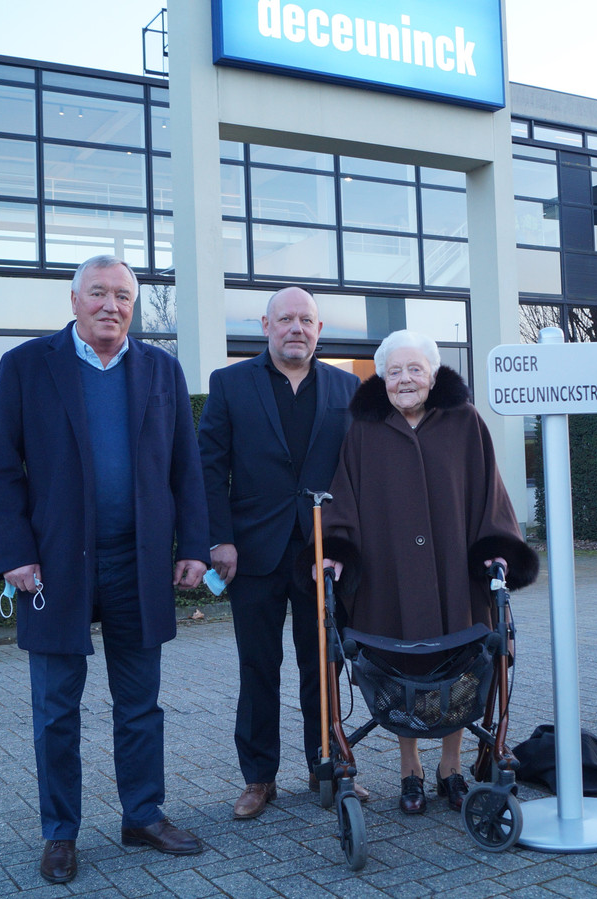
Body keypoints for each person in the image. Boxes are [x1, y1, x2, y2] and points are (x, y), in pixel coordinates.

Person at [0, 255, 210, 884]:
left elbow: (185, 469)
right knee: (56, 709)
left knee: (140, 705)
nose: (112, 306)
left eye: (125, 297)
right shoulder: (26, 367)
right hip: (55, 569)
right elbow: (0, 469)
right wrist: (15, 555)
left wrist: (193, 544)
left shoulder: (161, 369)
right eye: (99, 294)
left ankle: (142, 814)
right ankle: (60, 833)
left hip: (139, 564)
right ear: (74, 299)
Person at [318, 330, 539, 815]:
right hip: (387, 575)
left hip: (455, 572)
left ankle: (452, 768)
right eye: (393, 371)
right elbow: (344, 496)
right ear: (381, 378)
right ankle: (410, 771)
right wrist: (335, 550)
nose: (404, 380)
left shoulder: (464, 421)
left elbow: (491, 492)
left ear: (433, 374)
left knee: (459, 667)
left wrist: (498, 549)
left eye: (414, 369)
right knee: (399, 671)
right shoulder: (364, 429)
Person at [196, 285, 364, 819]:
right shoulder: (229, 384)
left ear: (319, 331)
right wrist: (218, 539)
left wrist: (347, 541)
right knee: (258, 669)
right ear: (265, 326)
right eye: (285, 318)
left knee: (324, 667)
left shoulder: (347, 387)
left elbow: (359, 473)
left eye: (306, 320)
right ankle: (258, 779)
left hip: (321, 557)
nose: (296, 327)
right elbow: (208, 468)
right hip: (251, 554)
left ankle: (329, 769)